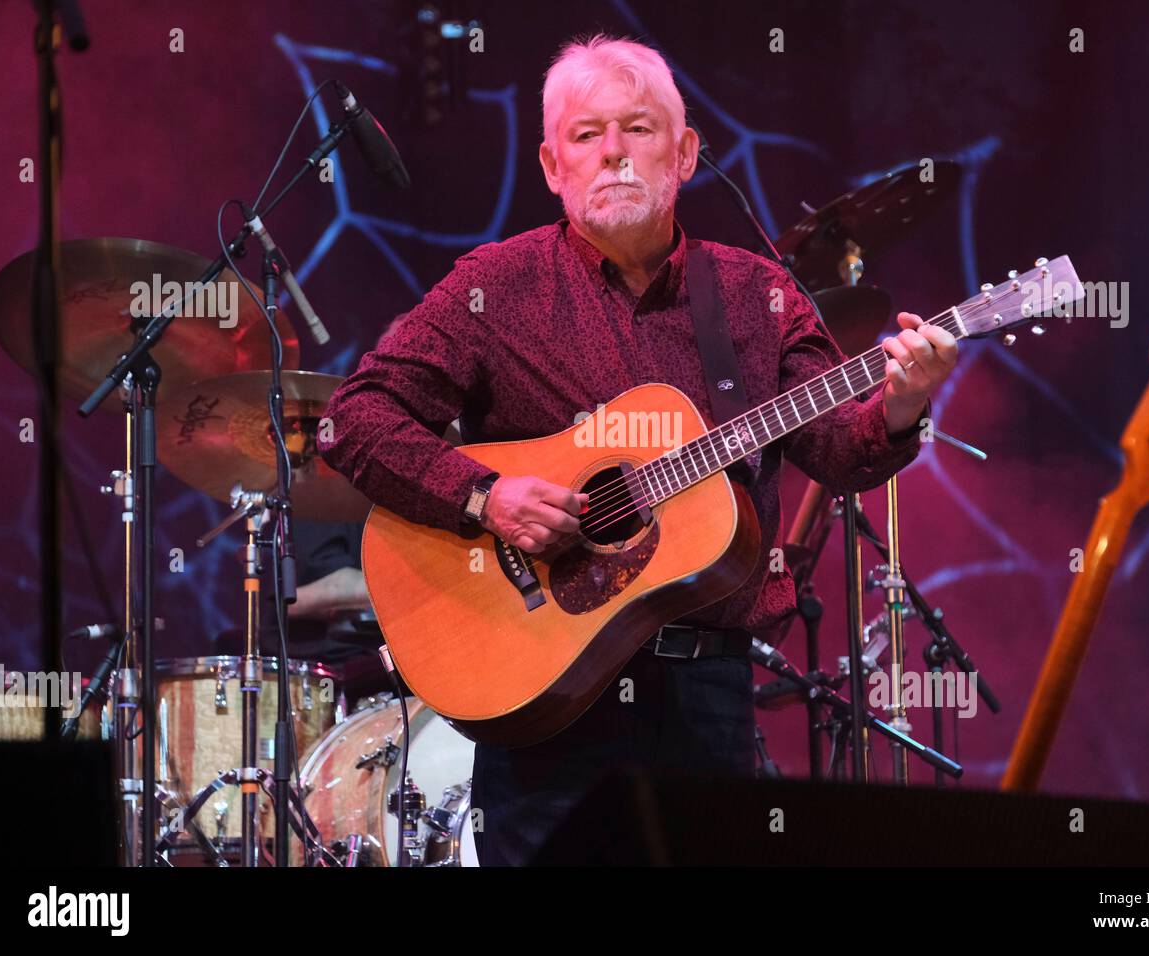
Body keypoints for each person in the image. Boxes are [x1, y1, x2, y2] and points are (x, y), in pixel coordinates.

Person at [320, 35, 958, 865]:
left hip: (704, 700)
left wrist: (904, 401)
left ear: (686, 153)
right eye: (588, 136)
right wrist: (486, 496)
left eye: (639, 128)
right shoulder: (494, 288)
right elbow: (351, 419)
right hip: (545, 699)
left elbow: (841, 452)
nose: (614, 152)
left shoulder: (758, 296)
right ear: (553, 166)